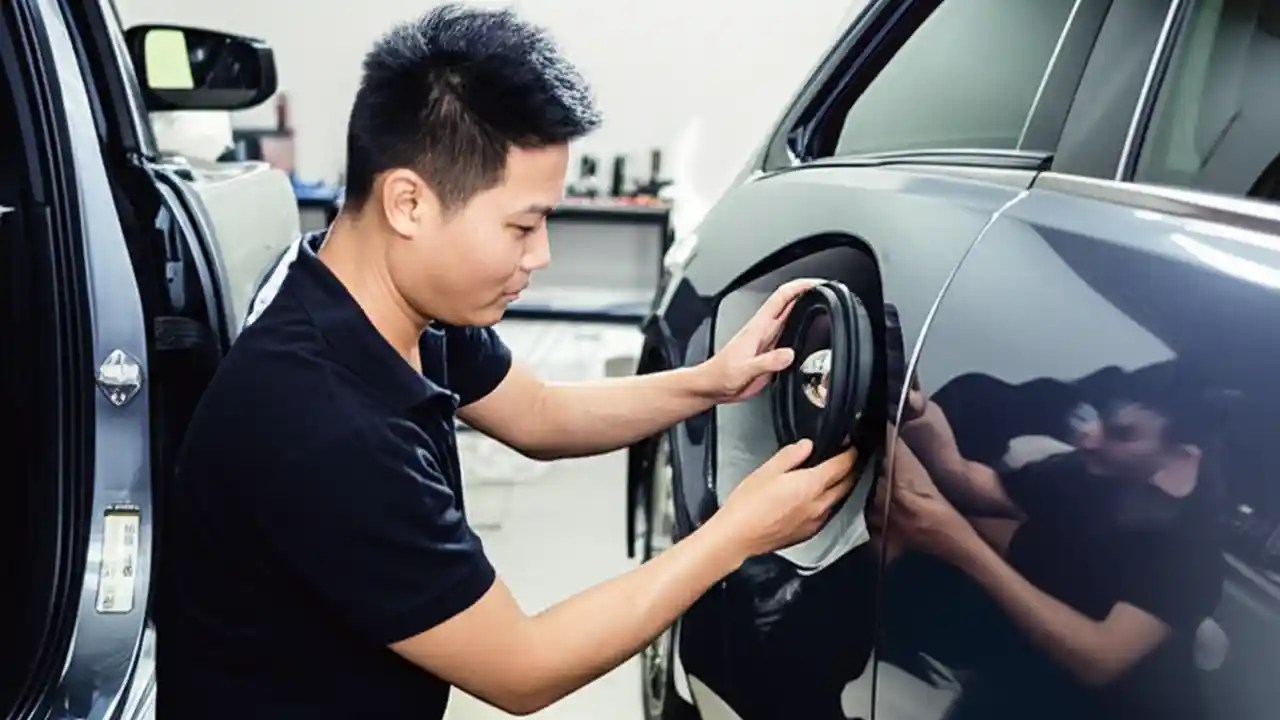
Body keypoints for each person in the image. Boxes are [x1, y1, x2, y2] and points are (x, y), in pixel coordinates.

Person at [153, 5, 855, 719]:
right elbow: (522, 668)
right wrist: (738, 533)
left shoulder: (381, 303)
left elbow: (540, 414)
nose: (541, 255)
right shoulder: (325, 421)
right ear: (408, 203)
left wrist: (713, 381)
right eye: (522, 224)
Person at [875, 363, 1226, 719]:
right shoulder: (1086, 475)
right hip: (1013, 686)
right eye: (1100, 420)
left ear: (1181, 459)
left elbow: (1098, 658)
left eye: (1123, 435)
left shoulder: (1189, 551)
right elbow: (970, 481)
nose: (1091, 439)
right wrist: (912, 414)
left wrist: (962, 545)